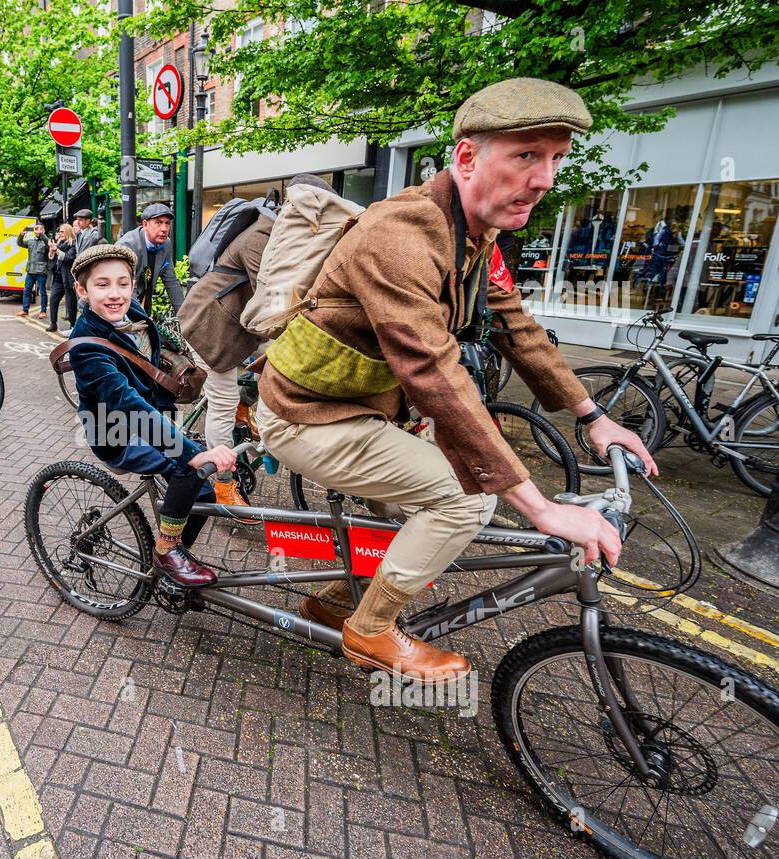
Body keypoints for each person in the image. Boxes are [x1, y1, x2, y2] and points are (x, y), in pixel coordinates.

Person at [256, 78, 659, 684]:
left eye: (555, 159)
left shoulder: (473, 235)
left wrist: (593, 416)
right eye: (527, 155)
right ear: (467, 158)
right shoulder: (402, 235)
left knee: (410, 513)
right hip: (306, 415)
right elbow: (434, 374)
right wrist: (540, 507)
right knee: (466, 499)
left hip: (364, 410)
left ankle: (335, 602)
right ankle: (370, 632)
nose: (545, 179)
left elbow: (517, 330)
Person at [67, 245, 235, 586]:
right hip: (116, 433)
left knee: (201, 491)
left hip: (150, 419)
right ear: (82, 291)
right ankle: (167, 552)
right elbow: (128, 406)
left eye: (123, 283)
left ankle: (171, 553)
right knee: (187, 467)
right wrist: (190, 452)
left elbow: (154, 343)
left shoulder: (131, 311)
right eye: (102, 285)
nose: (115, 294)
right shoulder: (86, 345)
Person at [180, 174, 338, 520]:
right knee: (222, 401)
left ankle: (244, 411)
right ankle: (221, 482)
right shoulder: (262, 238)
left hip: (238, 326)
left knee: (264, 372)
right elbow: (274, 302)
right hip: (212, 328)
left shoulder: (282, 237)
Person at [117, 203, 184, 317]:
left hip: (145, 299)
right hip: (121, 302)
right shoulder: (127, 245)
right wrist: (141, 319)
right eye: (158, 222)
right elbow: (128, 287)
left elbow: (171, 280)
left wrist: (184, 314)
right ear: (145, 224)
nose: (164, 229)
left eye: (167, 223)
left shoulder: (166, 243)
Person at [14, 221, 50, 322]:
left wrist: (42, 235)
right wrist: (21, 235)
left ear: (43, 230)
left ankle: (43, 311)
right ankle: (25, 310)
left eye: (40, 228)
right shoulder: (31, 241)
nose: (37, 230)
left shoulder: (47, 241)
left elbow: (49, 245)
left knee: (42, 292)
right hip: (31, 271)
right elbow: (20, 243)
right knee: (27, 290)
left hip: (41, 271)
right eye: (36, 229)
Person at [46, 223, 77, 331]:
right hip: (58, 278)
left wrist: (56, 249)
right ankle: (53, 323)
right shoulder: (60, 243)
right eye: (59, 231)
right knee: (53, 299)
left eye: (62, 231)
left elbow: (68, 257)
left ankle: (73, 325)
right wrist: (51, 250)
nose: (60, 233)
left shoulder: (73, 244)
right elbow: (51, 260)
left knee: (70, 303)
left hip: (68, 278)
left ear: (68, 231)